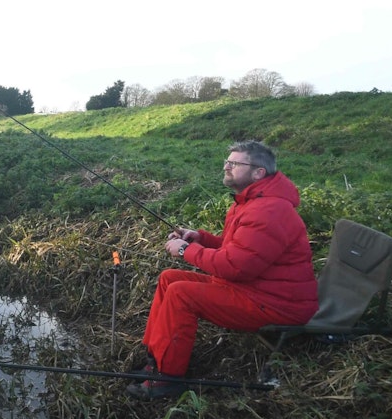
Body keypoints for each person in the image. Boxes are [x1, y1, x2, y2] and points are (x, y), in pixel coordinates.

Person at [127, 140, 318, 399]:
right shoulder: (251, 201)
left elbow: (235, 267)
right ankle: (157, 360)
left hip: (276, 304)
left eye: (234, 163)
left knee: (181, 293)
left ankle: (168, 378)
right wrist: (201, 239)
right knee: (168, 278)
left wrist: (185, 250)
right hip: (253, 288)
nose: (226, 166)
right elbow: (241, 250)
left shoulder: (269, 210)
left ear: (258, 172)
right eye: (227, 161)